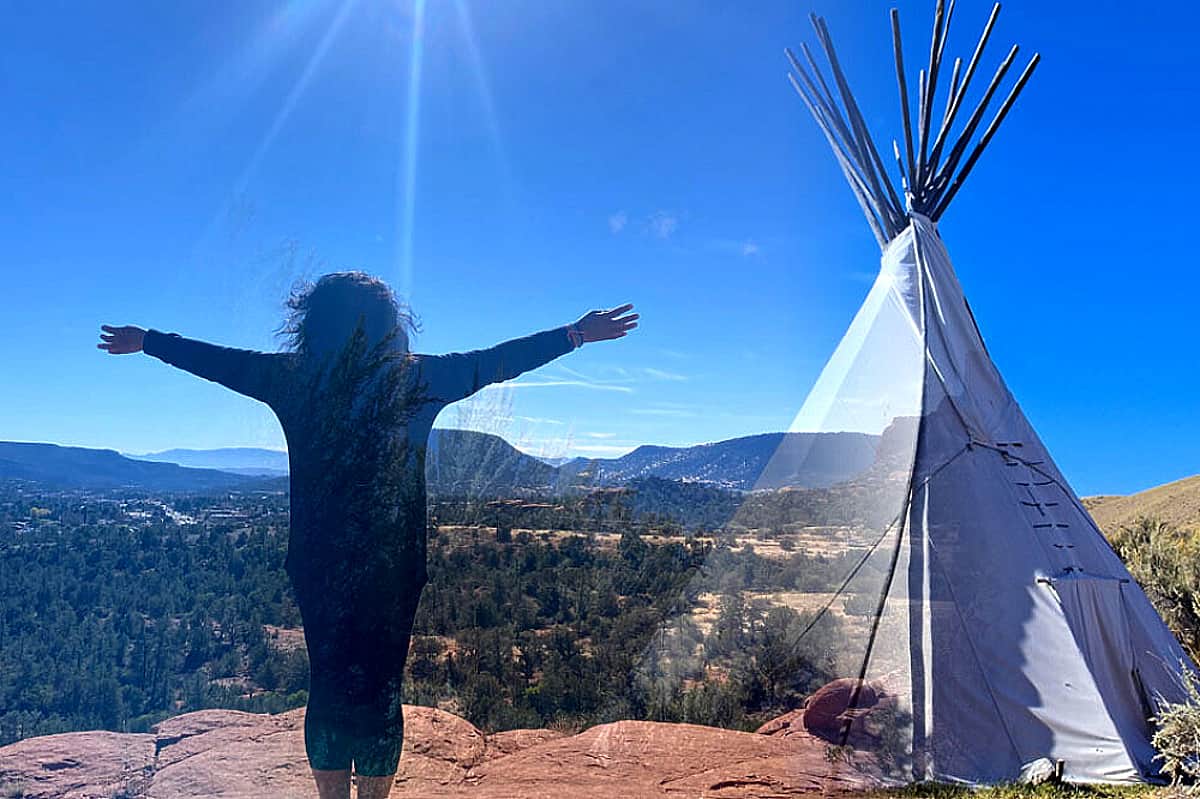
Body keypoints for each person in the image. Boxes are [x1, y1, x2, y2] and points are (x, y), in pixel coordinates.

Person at [98, 271, 638, 799]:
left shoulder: (296, 378)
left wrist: (148, 342)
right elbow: (496, 362)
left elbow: (218, 362)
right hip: (393, 560)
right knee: (382, 686)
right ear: (388, 325)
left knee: (329, 683)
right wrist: (575, 334)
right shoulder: (417, 379)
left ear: (313, 322)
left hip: (318, 558)